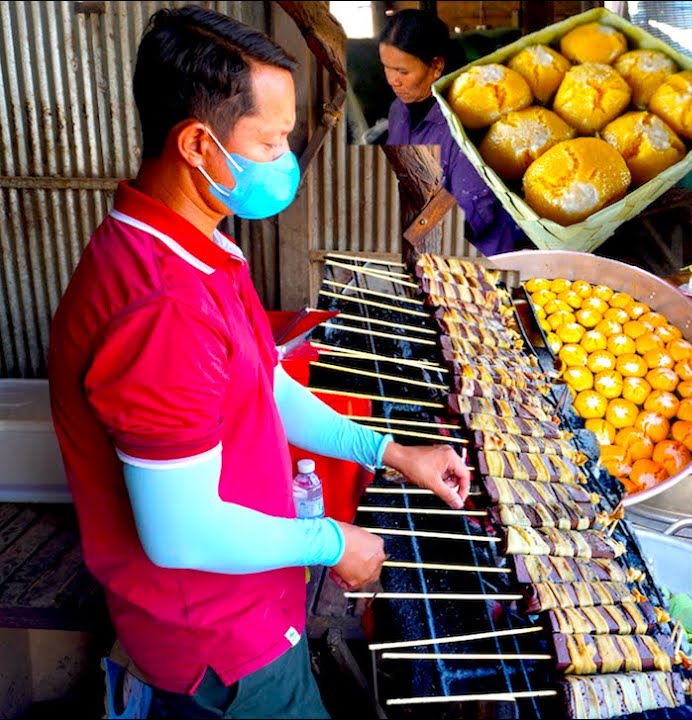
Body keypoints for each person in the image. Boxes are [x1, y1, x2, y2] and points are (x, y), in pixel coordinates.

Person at [47, 7, 469, 718]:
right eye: (270, 142)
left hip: (256, 603)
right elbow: (181, 533)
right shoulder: (163, 309)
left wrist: (392, 453)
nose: (285, 159)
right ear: (197, 143)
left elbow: (267, 388)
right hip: (222, 646)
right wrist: (331, 540)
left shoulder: (200, 245)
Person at [378, 9, 526, 256]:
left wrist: (406, 234)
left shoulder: (464, 125)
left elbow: (471, 216)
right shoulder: (399, 110)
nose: (393, 80)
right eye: (387, 68)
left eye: (403, 71)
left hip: (475, 255)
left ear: (436, 66)